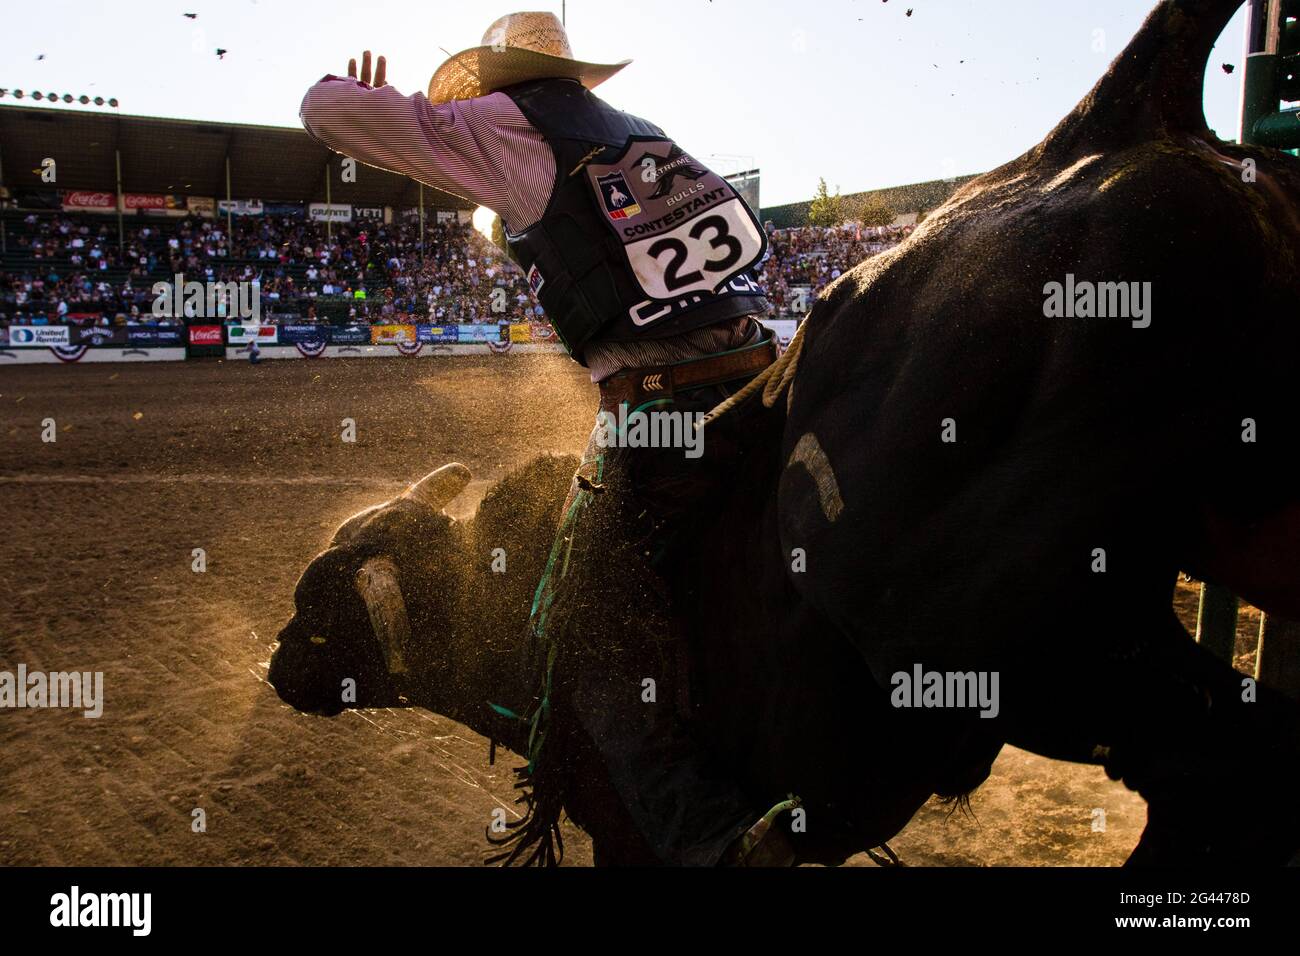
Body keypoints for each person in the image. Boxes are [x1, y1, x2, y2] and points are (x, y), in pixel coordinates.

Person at [300, 11, 792, 866]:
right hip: (768, 386)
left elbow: (322, 110)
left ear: (495, 79)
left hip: (665, 410)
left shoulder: (502, 121)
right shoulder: (645, 135)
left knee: (580, 622)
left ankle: (703, 835)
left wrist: (371, 101)